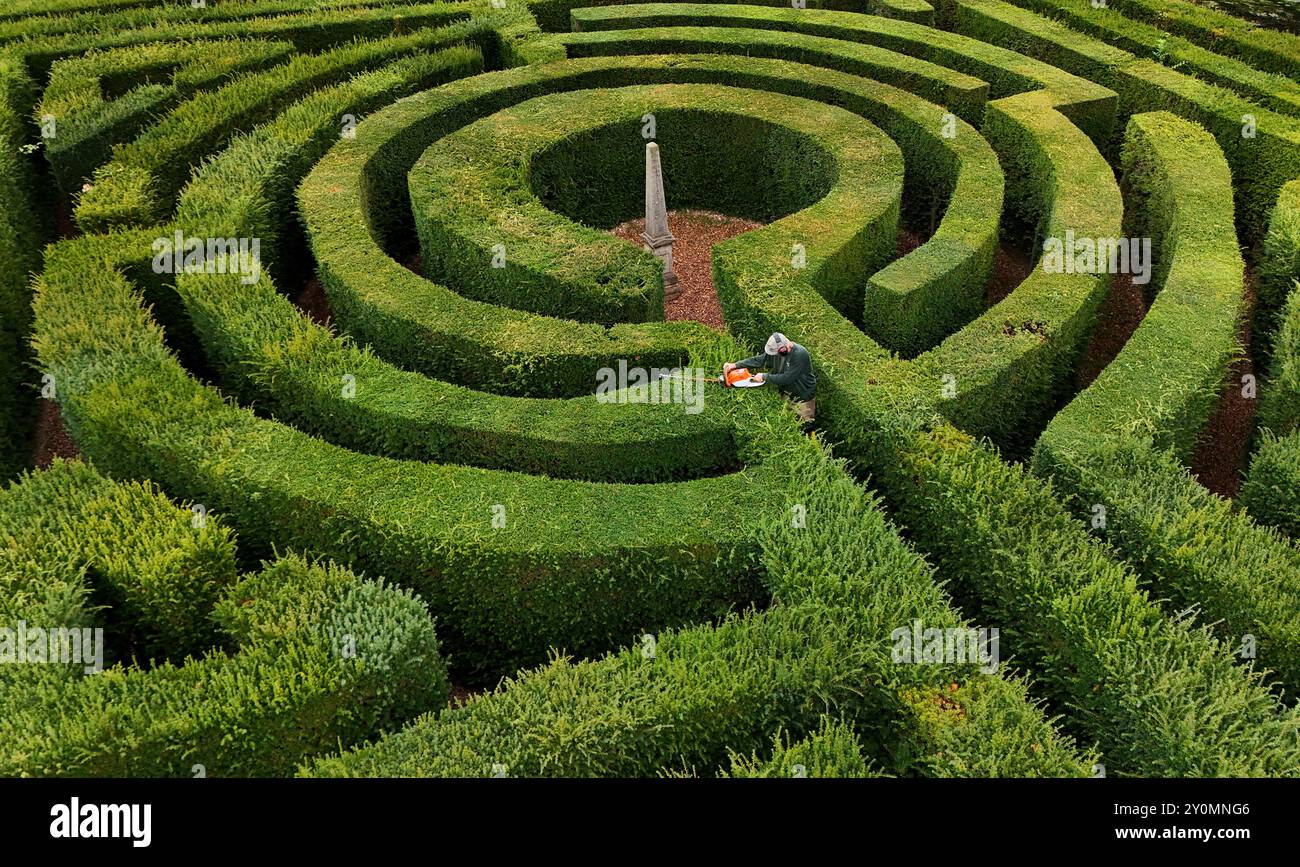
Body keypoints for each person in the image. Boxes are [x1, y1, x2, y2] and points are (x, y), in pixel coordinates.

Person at [724, 332, 817, 423]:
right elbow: (759, 360)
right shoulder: (776, 349)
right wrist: (735, 365)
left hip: (802, 395)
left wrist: (764, 376)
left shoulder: (800, 354)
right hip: (785, 392)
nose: (774, 356)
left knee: (805, 423)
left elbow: (787, 378)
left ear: (783, 350)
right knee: (788, 422)